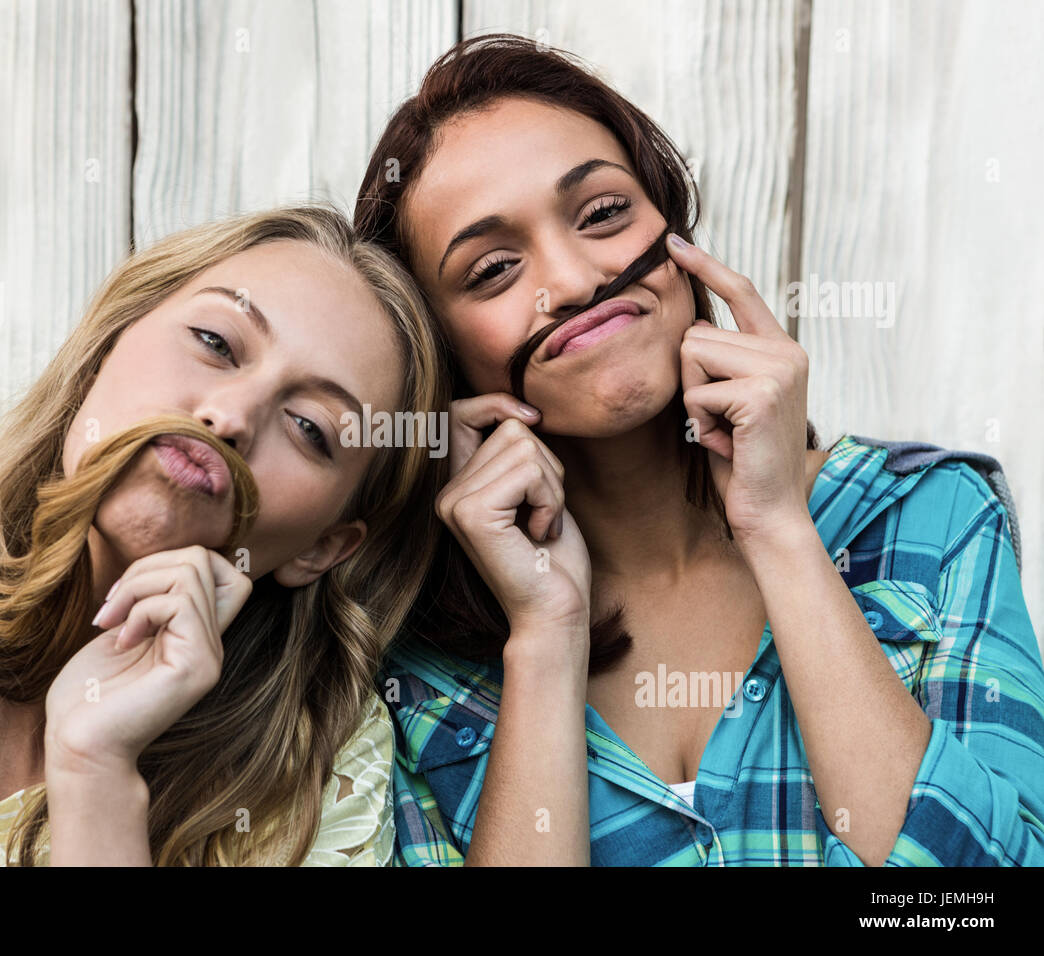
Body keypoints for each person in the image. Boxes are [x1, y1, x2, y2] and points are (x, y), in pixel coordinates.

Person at [353, 33, 1044, 865]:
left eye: (603, 213)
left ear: (676, 236)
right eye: (494, 268)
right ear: (438, 348)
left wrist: (778, 526)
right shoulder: (408, 665)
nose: (571, 282)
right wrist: (545, 631)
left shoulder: (931, 518)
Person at [0, 203, 450, 866]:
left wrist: (96, 773)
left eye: (311, 429)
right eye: (215, 342)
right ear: (103, 350)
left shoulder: (321, 780)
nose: (232, 415)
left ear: (320, 547)